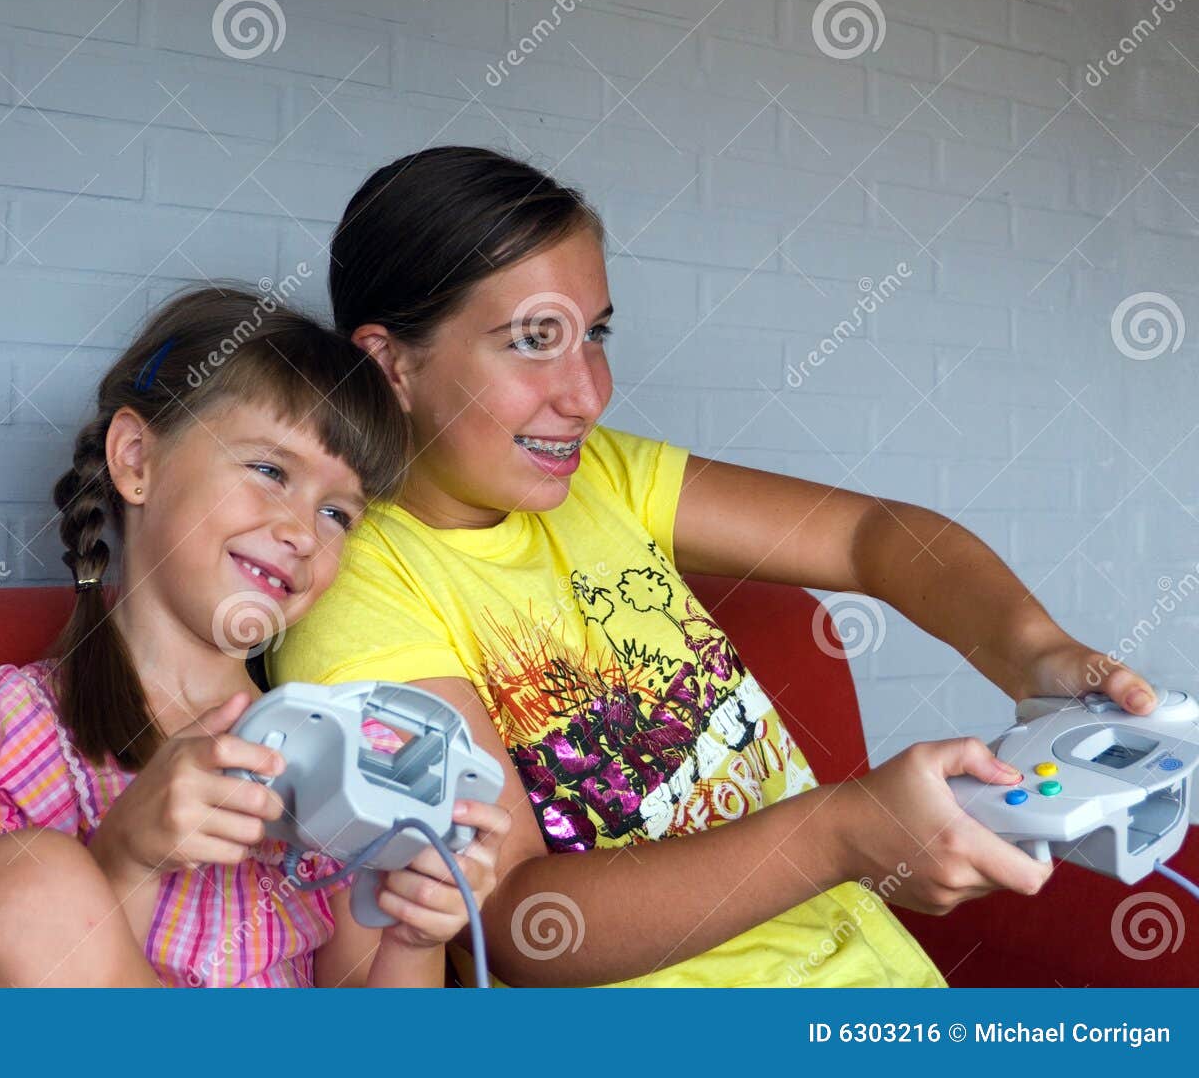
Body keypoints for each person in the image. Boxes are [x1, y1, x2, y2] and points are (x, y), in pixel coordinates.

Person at [270, 146, 1161, 987]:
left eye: (596, 336)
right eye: (534, 340)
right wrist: (842, 834)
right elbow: (511, 917)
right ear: (388, 360)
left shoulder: (599, 476)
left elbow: (873, 539)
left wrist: (1036, 652)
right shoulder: (356, 585)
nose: (588, 394)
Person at [0, 284, 510, 987]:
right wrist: (129, 854)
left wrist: (412, 933)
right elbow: (20, 963)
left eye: (337, 514)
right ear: (137, 459)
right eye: (269, 471)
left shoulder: (338, 752)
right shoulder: (13, 726)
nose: (300, 532)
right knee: (24, 882)